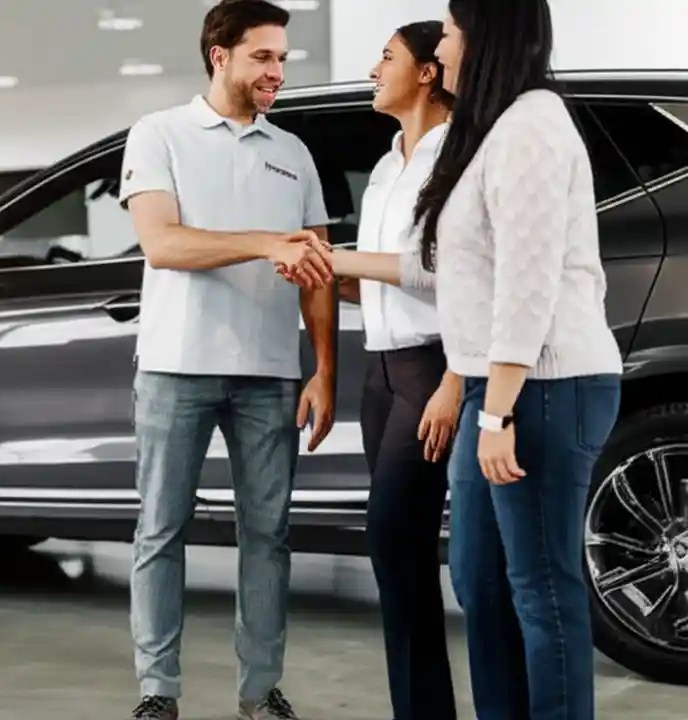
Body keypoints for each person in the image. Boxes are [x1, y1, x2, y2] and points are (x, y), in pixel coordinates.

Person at [345, 1, 620, 717]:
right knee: (477, 578)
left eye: (456, 30)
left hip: (544, 385)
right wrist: (337, 261)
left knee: (539, 586)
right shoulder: (491, 130)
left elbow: (525, 282)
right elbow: (452, 266)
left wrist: (495, 408)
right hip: (495, 389)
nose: (448, 42)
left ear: (487, 36)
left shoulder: (532, 124)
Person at [117, 1, 338, 718]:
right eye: (264, 57)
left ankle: (259, 690)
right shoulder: (160, 135)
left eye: (282, 57)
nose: (278, 70)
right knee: (161, 530)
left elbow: (319, 271)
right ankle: (158, 692)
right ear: (221, 56)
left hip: (271, 374)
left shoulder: (293, 153)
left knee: (268, 537)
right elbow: (164, 245)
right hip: (175, 368)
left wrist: (325, 368)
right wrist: (264, 242)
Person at [309, 21, 460, 720]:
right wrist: (319, 271)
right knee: (397, 555)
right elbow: (386, 280)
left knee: (394, 540)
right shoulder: (386, 166)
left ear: (427, 72)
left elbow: (438, 273)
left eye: (388, 56)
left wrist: (337, 260)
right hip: (383, 371)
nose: (374, 69)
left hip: (434, 365)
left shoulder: (454, 154)